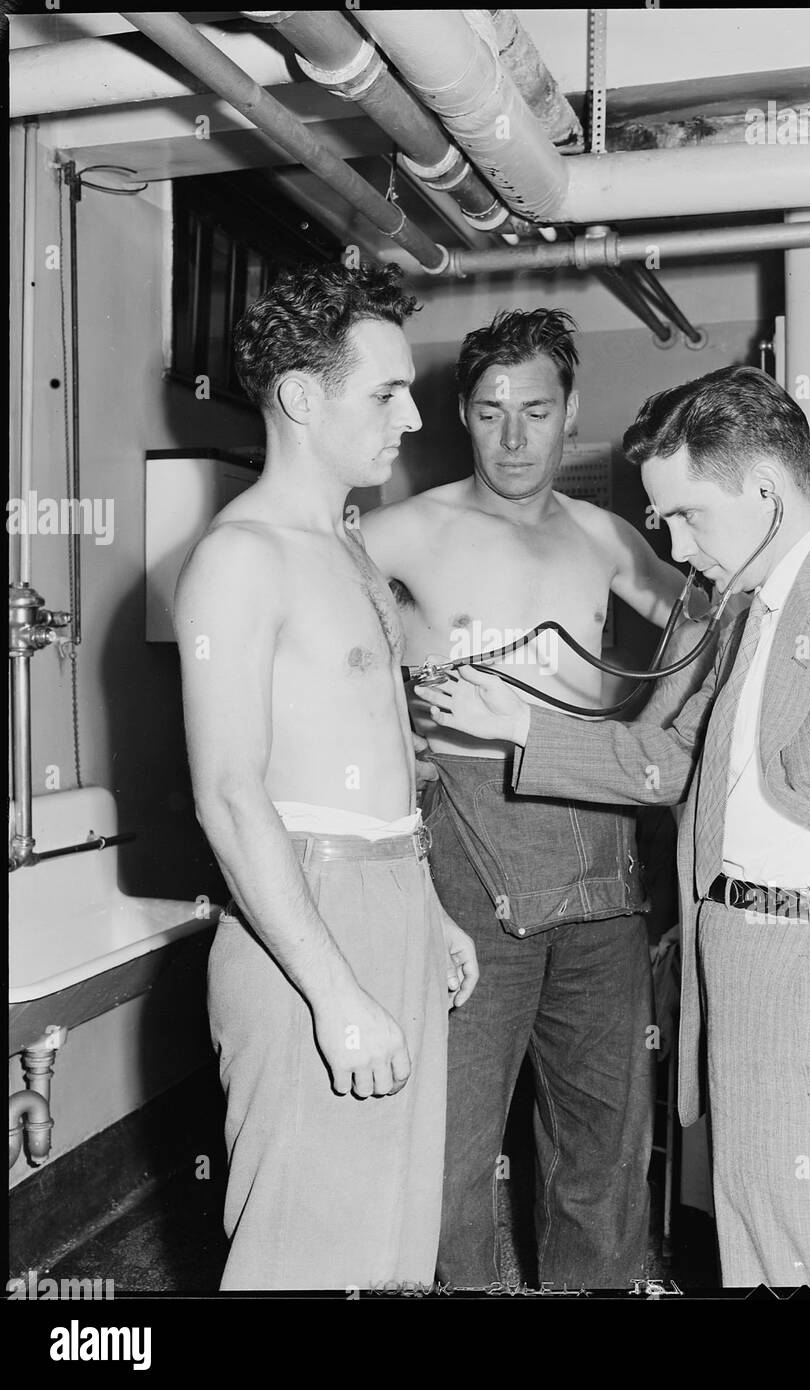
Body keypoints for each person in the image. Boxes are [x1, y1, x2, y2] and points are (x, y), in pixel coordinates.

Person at [422, 364, 810, 1288]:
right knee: (762, 1251)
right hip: (736, 962)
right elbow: (674, 763)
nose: (679, 549)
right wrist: (524, 727)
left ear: (766, 493)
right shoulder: (743, 615)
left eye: (690, 516)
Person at [360, 309, 686, 1289]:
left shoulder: (608, 538)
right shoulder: (405, 530)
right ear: (462, 412)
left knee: (603, 1134)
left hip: (596, 858)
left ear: (569, 412)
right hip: (468, 851)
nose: (512, 438)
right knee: (457, 1140)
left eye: (535, 412)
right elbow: (292, 601)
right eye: (491, 411)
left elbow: (715, 616)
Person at [174, 262, 478, 1291]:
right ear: (303, 399)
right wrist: (337, 991)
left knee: (391, 1246)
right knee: (301, 1255)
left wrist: (426, 908)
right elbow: (228, 793)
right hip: (303, 917)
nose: (413, 413)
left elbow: (383, 763)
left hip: (388, 891)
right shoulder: (239, 558)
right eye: (385, 391)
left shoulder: (348, 550)